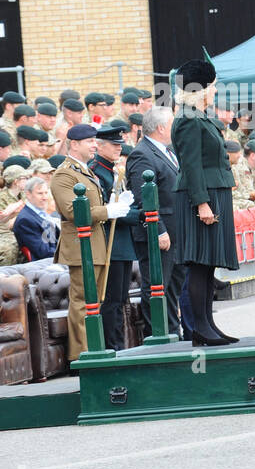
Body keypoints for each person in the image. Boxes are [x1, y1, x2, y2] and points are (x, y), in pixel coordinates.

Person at [170, 57, 240, 346]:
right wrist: (202, 203)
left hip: (213, 193)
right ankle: (199, 328)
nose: (215, 90)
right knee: (200, 264)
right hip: (202, 197)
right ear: (200, 90)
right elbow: (191, 165)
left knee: (209, 265)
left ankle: (208, 324)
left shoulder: (199, 116)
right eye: (212, 86)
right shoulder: (187, 120)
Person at [51, 124, 132, 359]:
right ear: (74, 144)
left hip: (95, 244)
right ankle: (81, 355)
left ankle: (94, 349)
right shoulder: (65, 173)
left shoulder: (85, 171)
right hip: (80, 246)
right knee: (82, 302)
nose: (95, 145)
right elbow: (74, 212)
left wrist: (115, 205)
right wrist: (109, 210)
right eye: (89, 142)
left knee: (94, 301)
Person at [126, 105, 184, 338]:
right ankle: (158, 335)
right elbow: (143, 198)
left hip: (176, 231)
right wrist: (158, 229)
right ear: (161, 128)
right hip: (158, 234)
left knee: (172, 288)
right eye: (172, 124)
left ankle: (173, 333)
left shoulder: (167, 151)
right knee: (157, 287)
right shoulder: (142, 154)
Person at [89, 121, 141, 351]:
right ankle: (114, 347)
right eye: (113, 144)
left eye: (120, 144)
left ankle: (120, 345)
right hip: (110, 242)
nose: (118, 148)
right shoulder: (96, 173)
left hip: (122, 242)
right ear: (99, 146)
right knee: (111, 301)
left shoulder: (112, 170)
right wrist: (139, 215)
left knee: (120, 299)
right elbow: (108, 211)